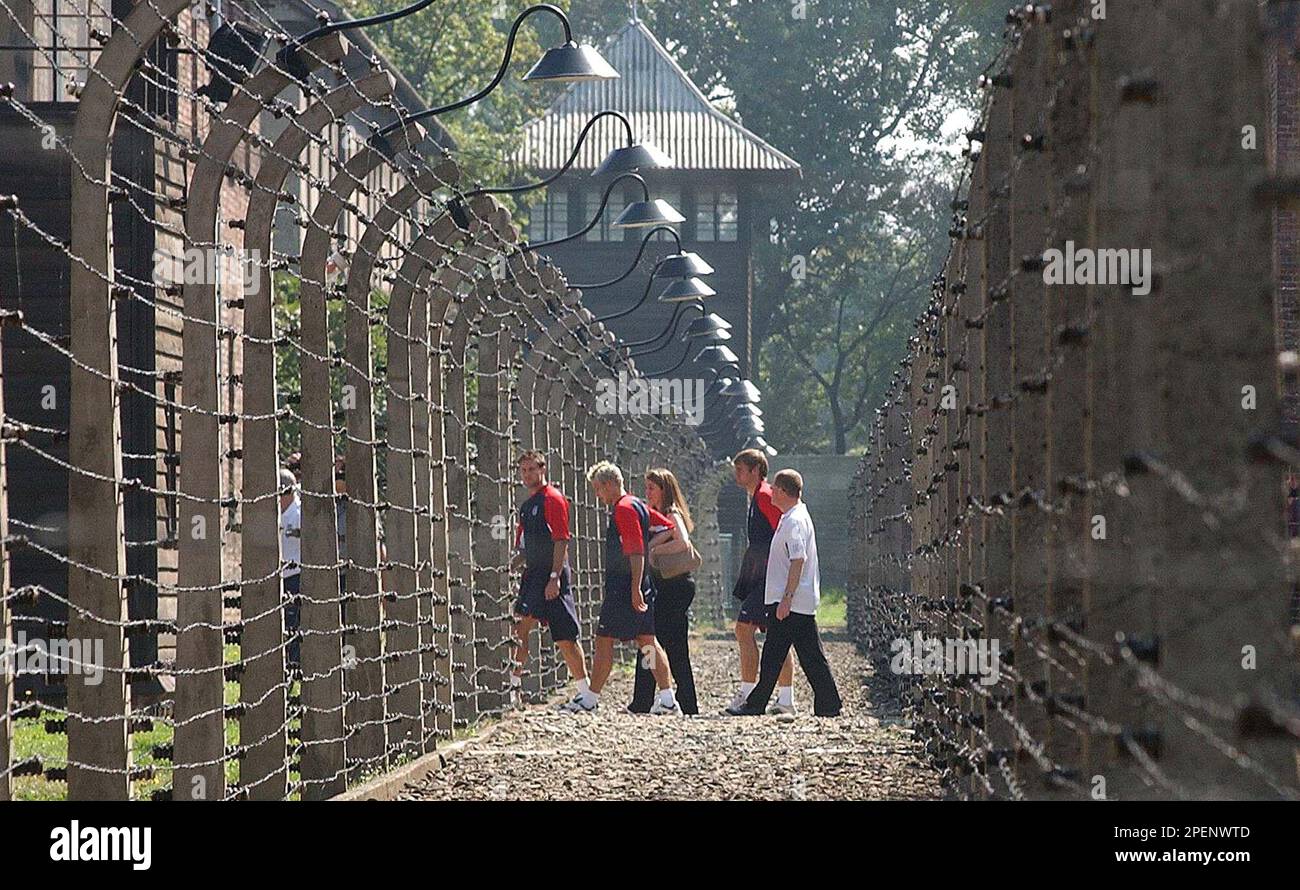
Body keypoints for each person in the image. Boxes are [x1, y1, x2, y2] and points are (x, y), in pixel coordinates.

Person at [563, 461, 679, 715]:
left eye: (598, 489)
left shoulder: (624, 509)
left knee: (604, 641)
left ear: (610, 484)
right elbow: (667, 528)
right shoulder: (638, 504)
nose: (598, 495)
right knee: (647, 641)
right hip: (638, 584)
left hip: (625, 587)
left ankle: (590, 699)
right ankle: (668, 698)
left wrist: (635, 586)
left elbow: (636, 551)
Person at [725, 469, 842, 717]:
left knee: (777, 655)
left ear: (783, 491)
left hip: (791, 602)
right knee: (805, 655)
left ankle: (757, 704)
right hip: (794, 600)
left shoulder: (794, 521)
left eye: (775, 490)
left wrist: (786, 598)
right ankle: (829, 704)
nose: (771, 494)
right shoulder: (793, 516)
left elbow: (798, 559)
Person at [509, 450, 591, 708]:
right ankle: (513, 690)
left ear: (543, 469)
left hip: (552, 574)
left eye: (532, 469)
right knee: (520, 629)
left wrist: (554, 577)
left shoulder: (553, 499)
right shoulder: (527, 506)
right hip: (533, 575)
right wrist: (511, 565)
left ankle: (586, 693)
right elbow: (524, 546)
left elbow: (561, 539)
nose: (527, 474)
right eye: (523, 470)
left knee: (565, 635)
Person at [728, 449, 796, 714]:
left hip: (768, 575)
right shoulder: (756, 496)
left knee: (744, 629)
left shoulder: (766, 496)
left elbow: (784, 530)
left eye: (741, 469)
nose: (737, 474)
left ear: (756, 470)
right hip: (762, 573)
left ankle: (749, 693)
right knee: (773, 634)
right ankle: (785, 699)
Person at [628, 468, 700, 715]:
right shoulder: (656, 514)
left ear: (664, 490)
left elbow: (682, 541)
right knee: (657, 643)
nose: (647, 492)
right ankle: (660, 700)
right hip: (664, 586)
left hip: (674, 587)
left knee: (659, 642)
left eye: (651, 488)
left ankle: (651, 701)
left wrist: (655, 550)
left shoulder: (671, 513)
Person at [279, 467, 303, 668]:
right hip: (280, 576)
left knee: (293, 623)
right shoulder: (276, 513)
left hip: (295, 577)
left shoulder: (299, 513)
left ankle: (294, 665)